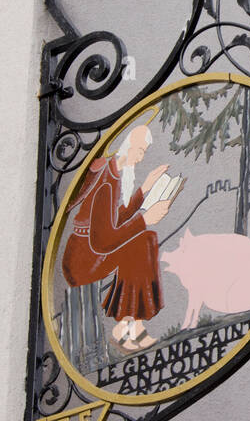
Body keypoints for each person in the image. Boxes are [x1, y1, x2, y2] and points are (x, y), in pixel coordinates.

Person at [61, 124, 172, 352]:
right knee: (142, 241)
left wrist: (144, 190)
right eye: (140, 150)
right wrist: (145, 219)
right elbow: (103, 242)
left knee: (146, 238)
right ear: (128, 146)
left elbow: (115, 221)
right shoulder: (106, 181)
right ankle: (125, 326)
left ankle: (133, 325)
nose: (141, 158)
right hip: (83, 261)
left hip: (89, 253)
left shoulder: (112, 176)